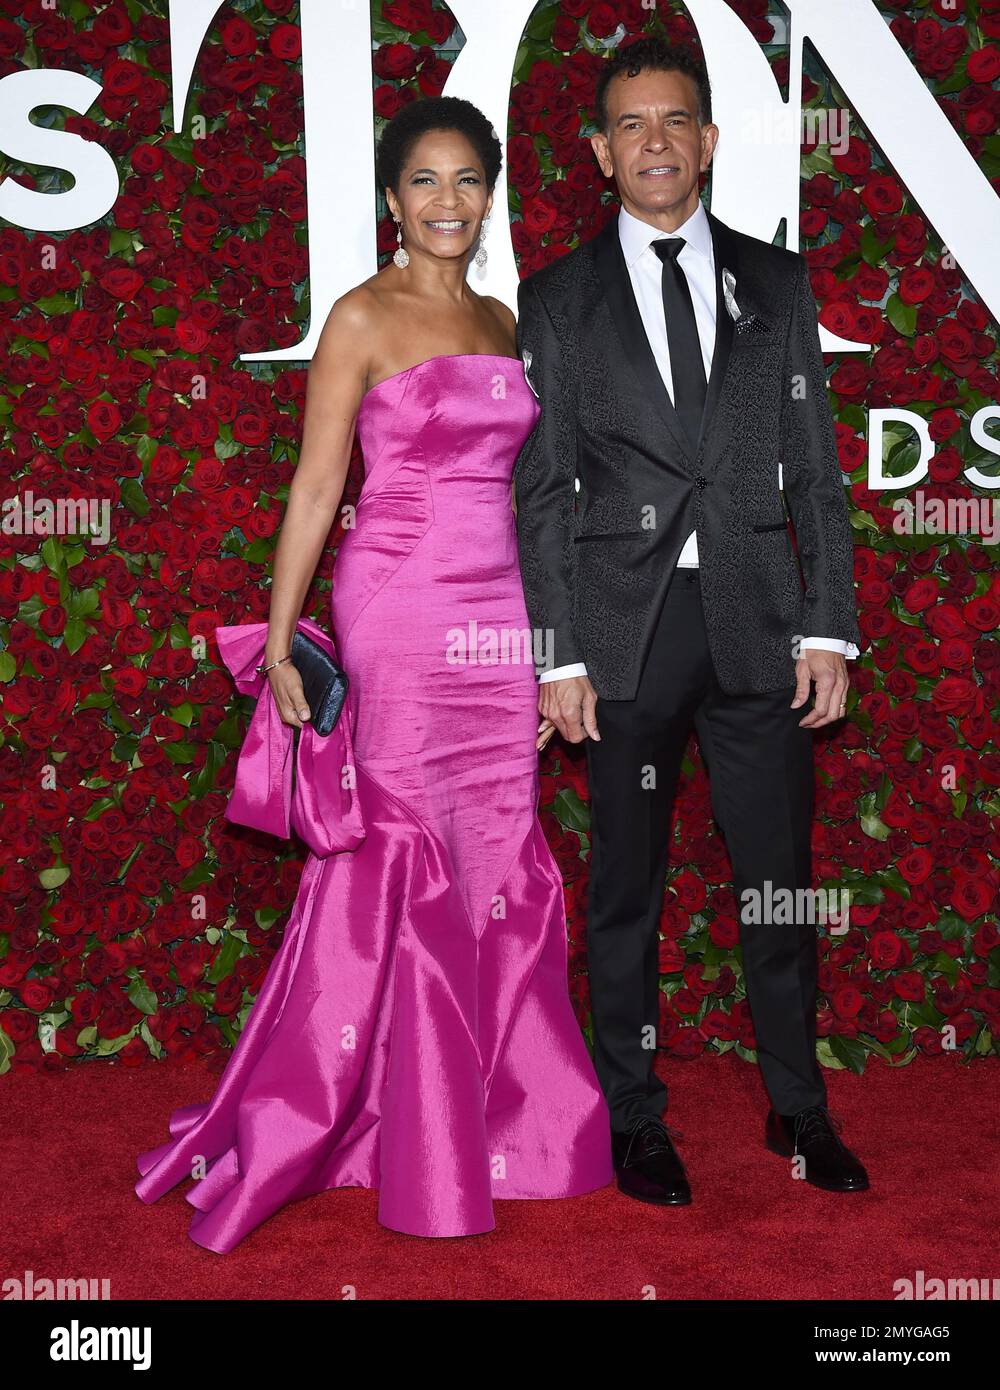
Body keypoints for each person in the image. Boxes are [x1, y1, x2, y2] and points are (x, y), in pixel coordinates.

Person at [135, 96, 613, 1252]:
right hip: (397, 605)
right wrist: (286, 632)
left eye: (466, 182)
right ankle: (377, 1125)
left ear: (489, 195)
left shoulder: (507, 321)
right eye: (424, 183)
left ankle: (497, 1117)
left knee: (496, 846)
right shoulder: (359, 316)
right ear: (392, 200)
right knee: (400, 853)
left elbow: (537, 499)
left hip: (499, 617)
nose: (447, 202)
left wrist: (553, 646)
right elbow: (313, 487)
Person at [513, 38, 870, 1206]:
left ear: (709, 142)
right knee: (628, 885)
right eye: (632, 124)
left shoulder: (778, 284)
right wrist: (556, 650)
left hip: (760, 626)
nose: (655, 141)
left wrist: (828, 626)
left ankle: (798, 1110)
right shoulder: (559, 298)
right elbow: (541, 485)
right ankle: (634, 1119)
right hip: (624, 631)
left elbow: (816, 474)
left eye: (675, 120)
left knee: (776, 880)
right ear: (601, 151)